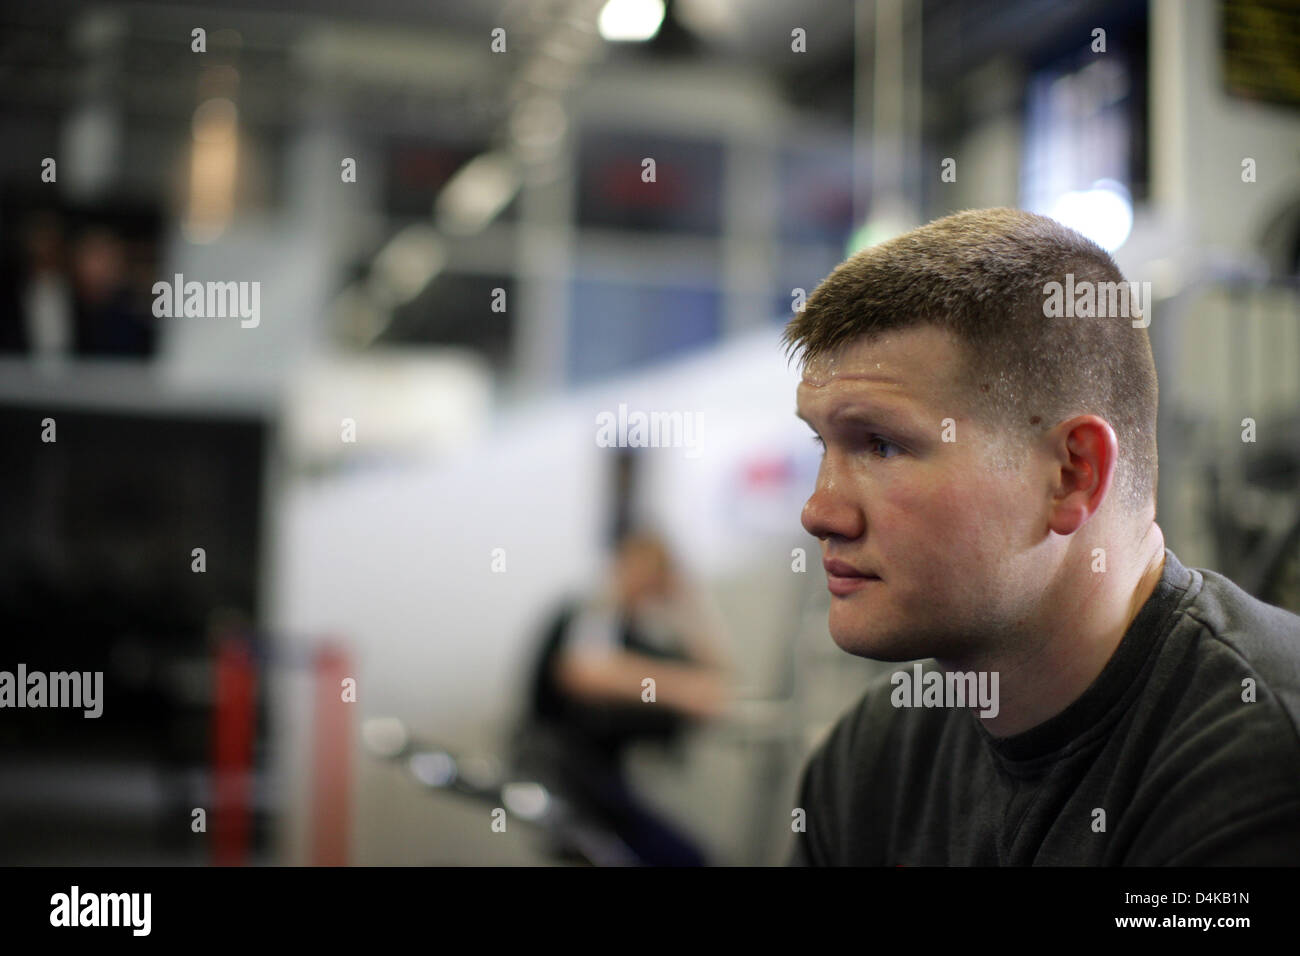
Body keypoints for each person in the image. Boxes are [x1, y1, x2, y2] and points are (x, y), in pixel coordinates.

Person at [784, 207, 1300, 865]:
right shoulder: (874, 755)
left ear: (1072, 474)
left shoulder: (1256, 763)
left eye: (881, 445)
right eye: (821, 444)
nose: (820, 511)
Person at [513, 529, 730, 865]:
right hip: (569, 783)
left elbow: (713, 685)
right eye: (640, 568)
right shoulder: (586, 615)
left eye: (656, 574)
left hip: (605, 788)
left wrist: (686, 604)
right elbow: (585, 672)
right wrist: (679, 689)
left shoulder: (637, 638)